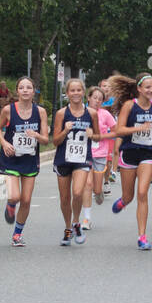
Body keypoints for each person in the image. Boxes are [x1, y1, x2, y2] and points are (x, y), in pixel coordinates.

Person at [107, 71, 152, 250]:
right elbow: (120, 130)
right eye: (147, 87)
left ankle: (142, 236)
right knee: (130, 195)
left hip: (147, 153)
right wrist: (138, 128)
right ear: (139, 88)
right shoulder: (129, 106)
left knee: (142, 193)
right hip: (129, 152)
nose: (151, 90)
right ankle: (124, 201)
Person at [0, 76, 49, 247]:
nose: (25, 90)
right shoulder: (8, 110)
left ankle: (17, 234)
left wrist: (37, 135)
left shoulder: (40, 112)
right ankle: (10, 204)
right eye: (22, 88)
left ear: (34, 91)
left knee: (26, 200)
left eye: (29, 88)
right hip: (11, 158)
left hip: (30, 160)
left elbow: (46, 140)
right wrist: (4, 142)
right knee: (14, 196)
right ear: (17, 91)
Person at [51, 77, 96, 246]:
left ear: (83, 93)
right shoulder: (61, 114)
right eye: (72, 90)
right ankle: (68, 227)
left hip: (82, 159)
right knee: (64, 198)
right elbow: (55, 141)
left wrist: (93, 134)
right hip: (63, 158)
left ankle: (77, 222)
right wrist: (65, 130)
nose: (76, 93)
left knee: (77, 193)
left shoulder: (91, 113)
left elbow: (97, 136)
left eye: (79, 90)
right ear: (67, 93)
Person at [86, 85, 115, 217]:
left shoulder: (105, 114)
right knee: (88, 184)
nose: (97, 101)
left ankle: (99, 192)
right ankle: (86, 218)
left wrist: (100, 136)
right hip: (84, 154)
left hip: (100, 154)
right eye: (94, 98)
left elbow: (116, 131)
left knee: (96, 188)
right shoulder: (82, 112)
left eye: (100, 99)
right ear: (88, 98)